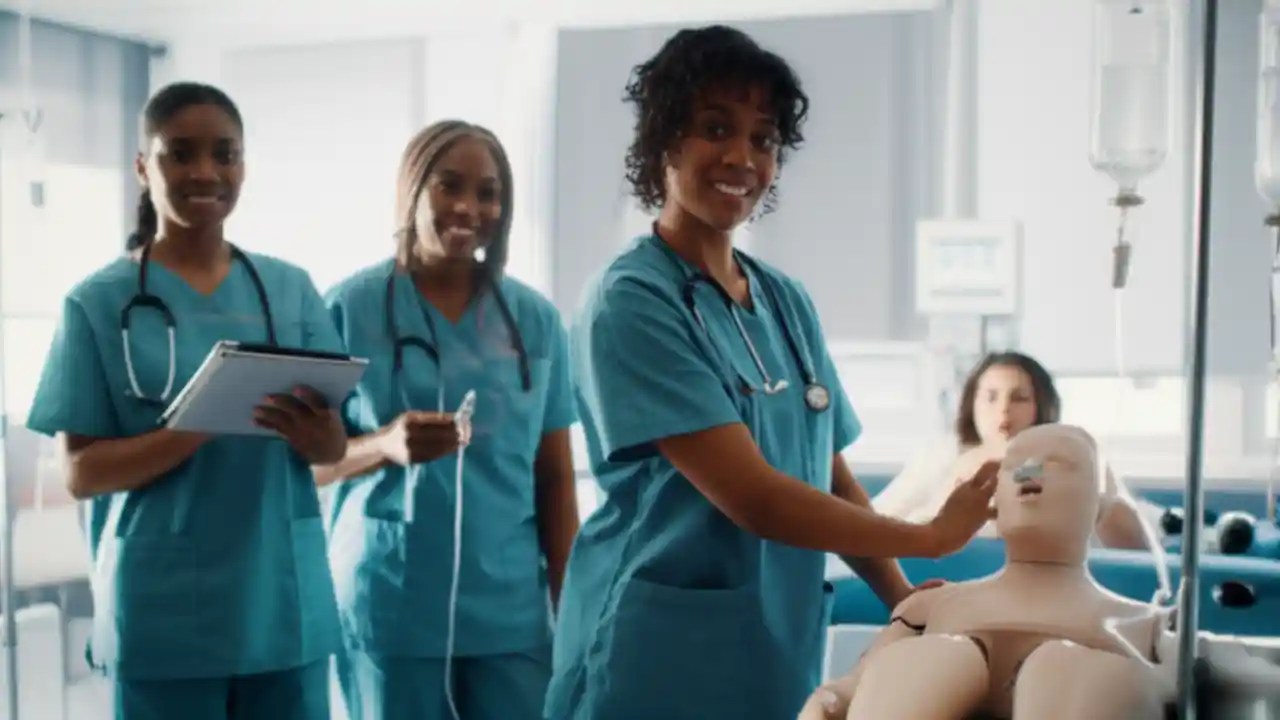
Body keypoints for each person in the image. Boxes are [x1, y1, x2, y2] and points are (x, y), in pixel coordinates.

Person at [543, 26, 997, 720]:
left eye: (764, 139)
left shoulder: (783, 299)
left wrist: (902, 597)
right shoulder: (631, 300)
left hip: (771, 647)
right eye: (716, 129)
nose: (742, 157)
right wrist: (931, 534)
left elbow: (827, 471)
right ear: (664, 141)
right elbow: (754, 497)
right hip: (653, 652)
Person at [25, 82, 347, 719]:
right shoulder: (96, 303)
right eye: (180, 153)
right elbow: (81, 471)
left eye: (225, 154)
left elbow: (333, 442)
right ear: (144, 167)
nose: (206, 171)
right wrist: (196, 425)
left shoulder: (289, 289)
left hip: (281, 603)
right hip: (164, 611)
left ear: (243, 166)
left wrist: (317, 438)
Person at [316, 119, 579, 720]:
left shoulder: (534, 321)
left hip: (510, 613)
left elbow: (556, 480)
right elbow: (304, 467)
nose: (469, 207)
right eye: (448, 186)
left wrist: (573, 607)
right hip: (389, 605)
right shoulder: (347, 310)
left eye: (488, 193)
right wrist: (382, 445)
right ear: (412, 189)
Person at [800, 424, 1171, 720]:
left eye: (1058, 462)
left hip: (1084, 683)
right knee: (932, 659)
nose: (1031, 472)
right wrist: (829, 699)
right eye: (1015, 465)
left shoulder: (1147, 625)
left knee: (1074, 670)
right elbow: (848, 688)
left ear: (1101, 500)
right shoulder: (929, 607)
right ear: (994, 500)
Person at [872, 351, 1159, 549]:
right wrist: (951, 493)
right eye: (990, 397)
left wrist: (1093, 494)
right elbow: (877, 523)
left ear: (1042, 406)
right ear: (971, 404)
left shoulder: (1077, 456)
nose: (1004, 409)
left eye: (1019, 398)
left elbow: (1137, 550)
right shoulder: (945, 456)